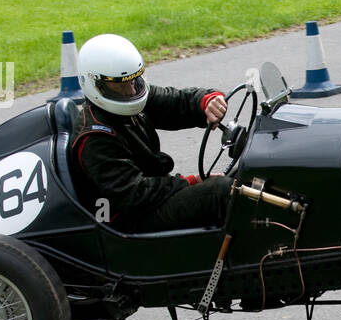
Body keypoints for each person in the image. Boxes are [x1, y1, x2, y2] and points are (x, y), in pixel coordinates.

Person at [67, 33, 232, 232]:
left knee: (244, 174)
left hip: (152, 198)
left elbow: (176, 102)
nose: (129, 90)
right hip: (127, 220)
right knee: (220, 192)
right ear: (96, 84)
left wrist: (207, 101)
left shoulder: (132, 96)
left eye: (133, 80)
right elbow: (133, 194)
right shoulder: (94, 136)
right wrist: (189, 182)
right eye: (119, 85)